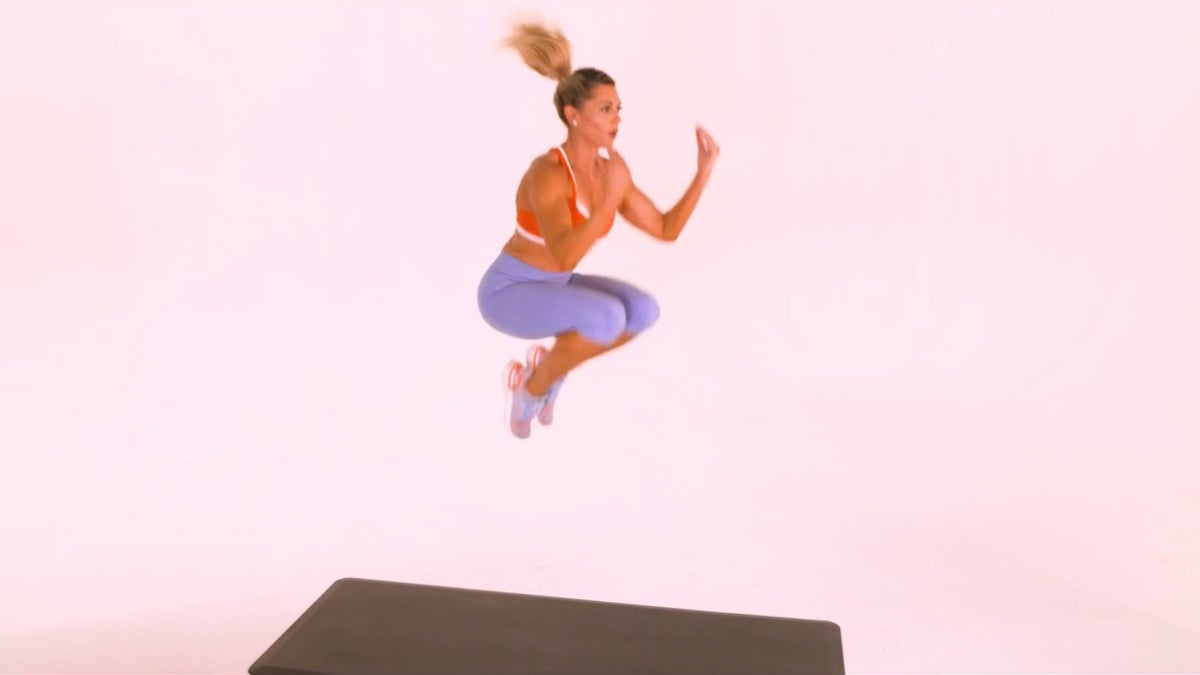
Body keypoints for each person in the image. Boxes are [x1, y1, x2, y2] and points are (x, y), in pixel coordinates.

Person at [477, 20, 720, 439]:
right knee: (607, 318)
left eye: (618, 109)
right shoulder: (547, 174)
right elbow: (564, 255)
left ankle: (550, 369)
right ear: (573, 116)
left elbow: (666, 229)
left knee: (642, 311)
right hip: (508, 293)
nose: (617, 119)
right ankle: (528, 390)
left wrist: (703, 172)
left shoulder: (609, 173)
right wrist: (610, 199)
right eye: (605, 109)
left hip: (555, 287)